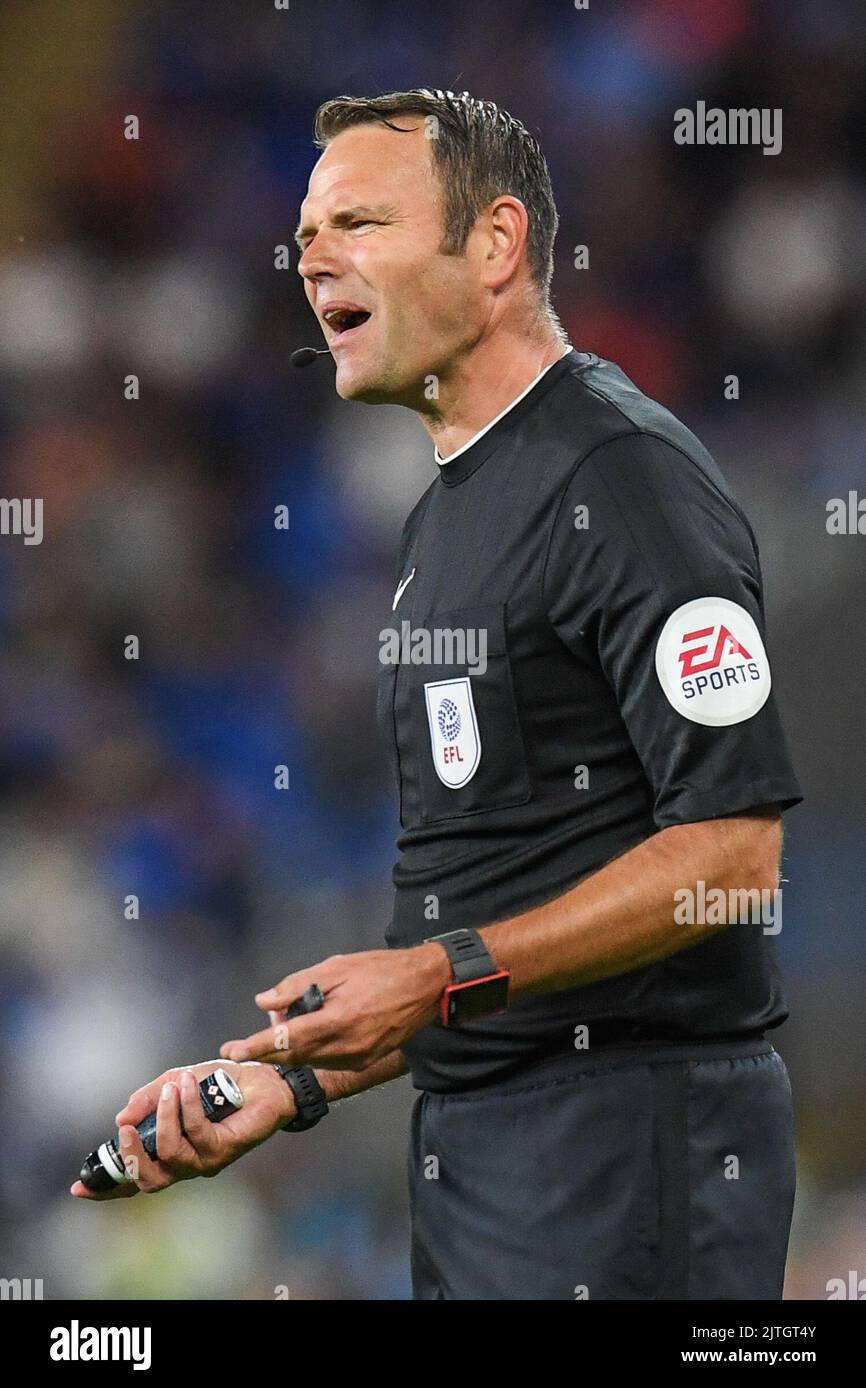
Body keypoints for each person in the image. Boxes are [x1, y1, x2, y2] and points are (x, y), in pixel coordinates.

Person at [73, 89, 802, 1302]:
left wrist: (435, 973)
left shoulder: (623, 482)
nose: (312, 256)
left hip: (628, 1159)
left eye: (358, 219)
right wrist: (299, 1075)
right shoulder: (445, 516)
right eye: (306, 230)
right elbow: (502, 905)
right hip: (487, 1159)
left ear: (496, 245)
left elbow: (735, 852)